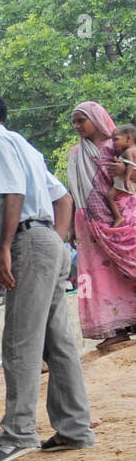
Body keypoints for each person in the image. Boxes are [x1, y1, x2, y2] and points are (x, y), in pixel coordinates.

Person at [0, 88, 94, 461]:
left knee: (20, 341)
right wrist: (57, 240)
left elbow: (13, 194)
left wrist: (5, 247)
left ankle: (19, 433)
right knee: (59, 342)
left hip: (29, 241)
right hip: (49, 239)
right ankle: (75, 428)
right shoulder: (24, 144)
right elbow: (63, 197)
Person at [66, 102, 136, 349]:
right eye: (74, 122)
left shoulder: (119, 146)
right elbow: (75, 192)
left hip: (123, 220)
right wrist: (72, 227)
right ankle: (115, 328)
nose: (77, 126)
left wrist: (125, 169)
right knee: (97, 276)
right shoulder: (76, 154)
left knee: (129, 269)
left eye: (80, 120)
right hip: (89, 223)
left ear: (96, 118)